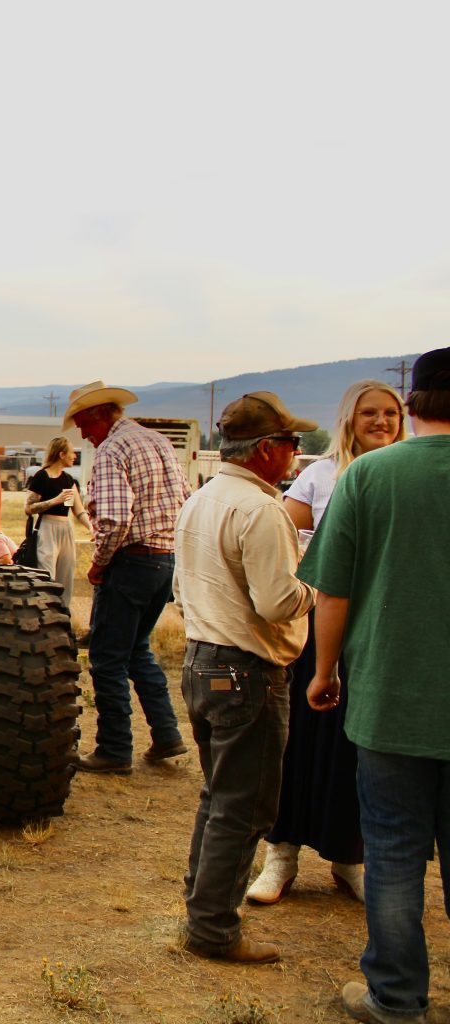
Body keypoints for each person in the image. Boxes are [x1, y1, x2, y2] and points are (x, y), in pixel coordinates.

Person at [301, 348, 450, 1024]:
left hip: (390, 697)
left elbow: (332, 591)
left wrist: (325, 672)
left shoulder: (370, 475)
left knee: (391, 851)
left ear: (412, 406)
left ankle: (395, 998)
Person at [247, 380, 406, 906]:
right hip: (321, 625)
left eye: (389, 412)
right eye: (369, 413)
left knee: (361, 749)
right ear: (349, 419)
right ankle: (282, 854)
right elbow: (281, 535)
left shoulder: (408, 471)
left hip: (385, 631)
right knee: (299, 737)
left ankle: (348, 857)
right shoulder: (321, 474)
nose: (380, 421)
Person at [173, 391, 318, 964]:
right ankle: (212, 929)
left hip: (203, 659)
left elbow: (182, 588)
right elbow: (279, 601)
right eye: (290, 444)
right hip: (248, 667)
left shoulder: (204, 498)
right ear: (264, 450)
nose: (295, 453)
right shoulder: (261, 510)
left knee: (220, 795)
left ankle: (201, 907)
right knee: (246, 804)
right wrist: (320, 588)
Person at [65, 380, 191, 773]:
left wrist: (99, 562)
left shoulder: (113, 449)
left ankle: (115, 749)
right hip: (163, 560)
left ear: (102, 414)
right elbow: (186, 498)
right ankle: (167, 734)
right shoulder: (159, 442)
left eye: (85, 423)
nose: (84, 434)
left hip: (131, 562)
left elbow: (117, 518)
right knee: (138, 651)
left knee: (106, 659)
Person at [25, 436, 93, 611]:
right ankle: (45, 612)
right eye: (71, 453)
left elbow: (78, 510)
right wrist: (55, 501)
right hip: (47, 527)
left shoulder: (69, 480)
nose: (74, 456)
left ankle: (62, 614)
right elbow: (29, 508)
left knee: (66, 574)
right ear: (61, 454)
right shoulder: (42, 477)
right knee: (47, 574)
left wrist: (92, 527)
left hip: (65, 529)